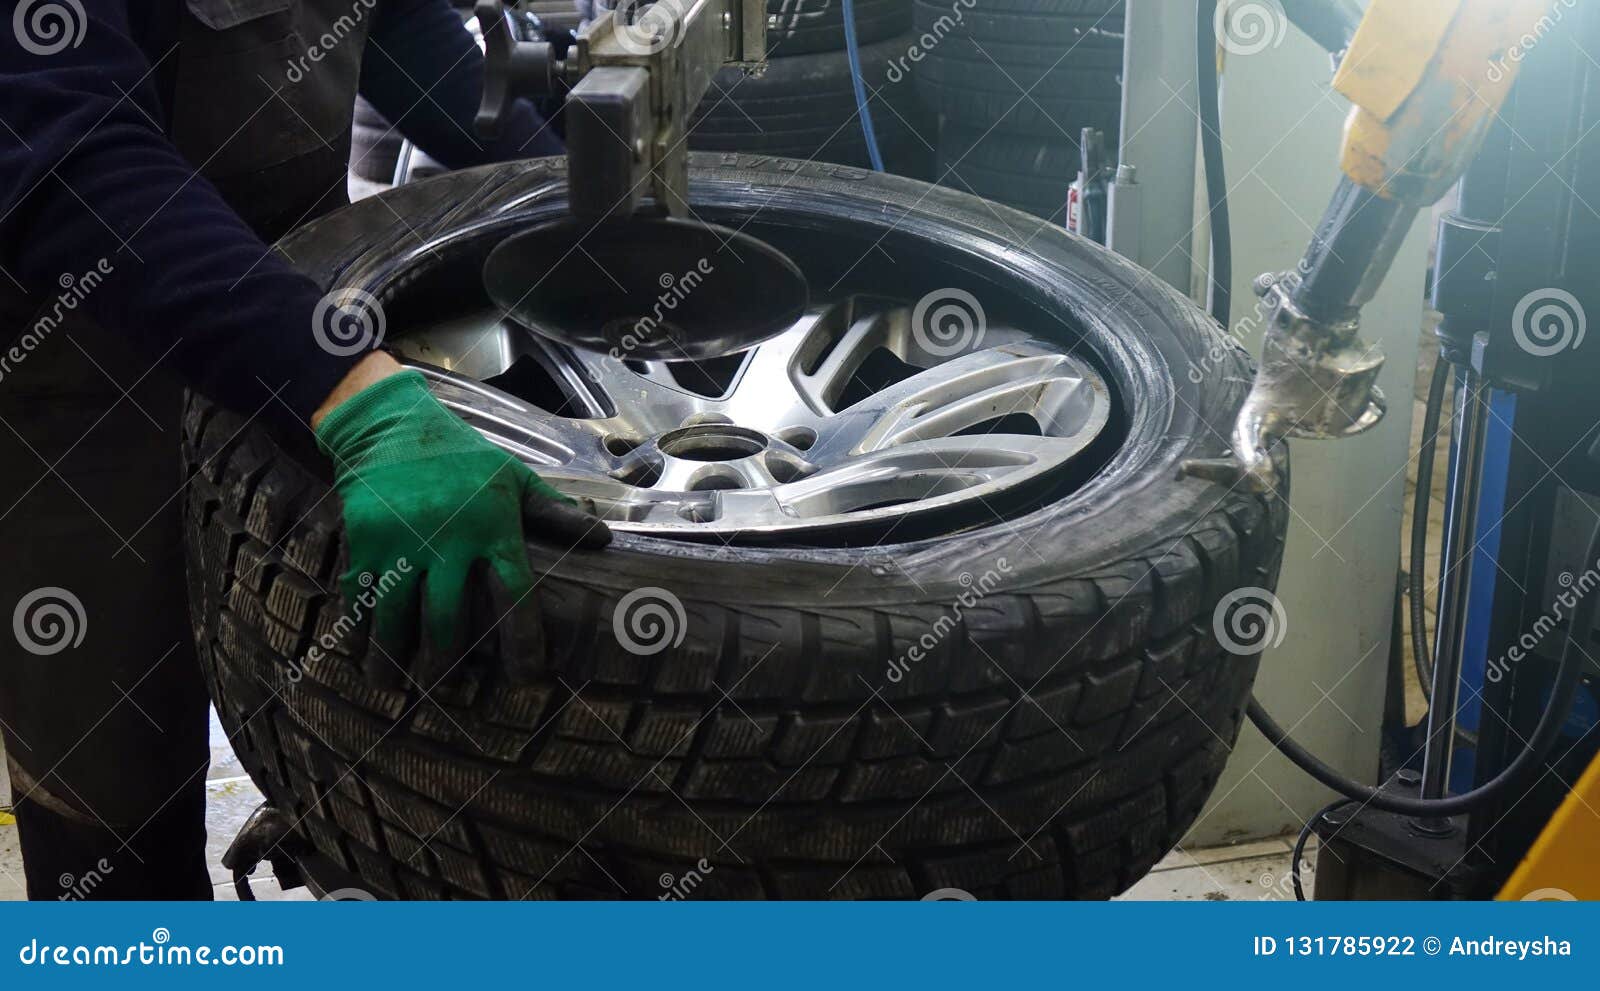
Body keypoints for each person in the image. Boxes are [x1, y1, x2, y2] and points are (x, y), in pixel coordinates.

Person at [0, 0, 608, 900]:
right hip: (83, 380)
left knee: (338, 705)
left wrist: (562, 195)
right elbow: (62, 150)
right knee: (115, 798)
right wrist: (357, 398)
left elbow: (397, 26)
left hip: (293, 322)